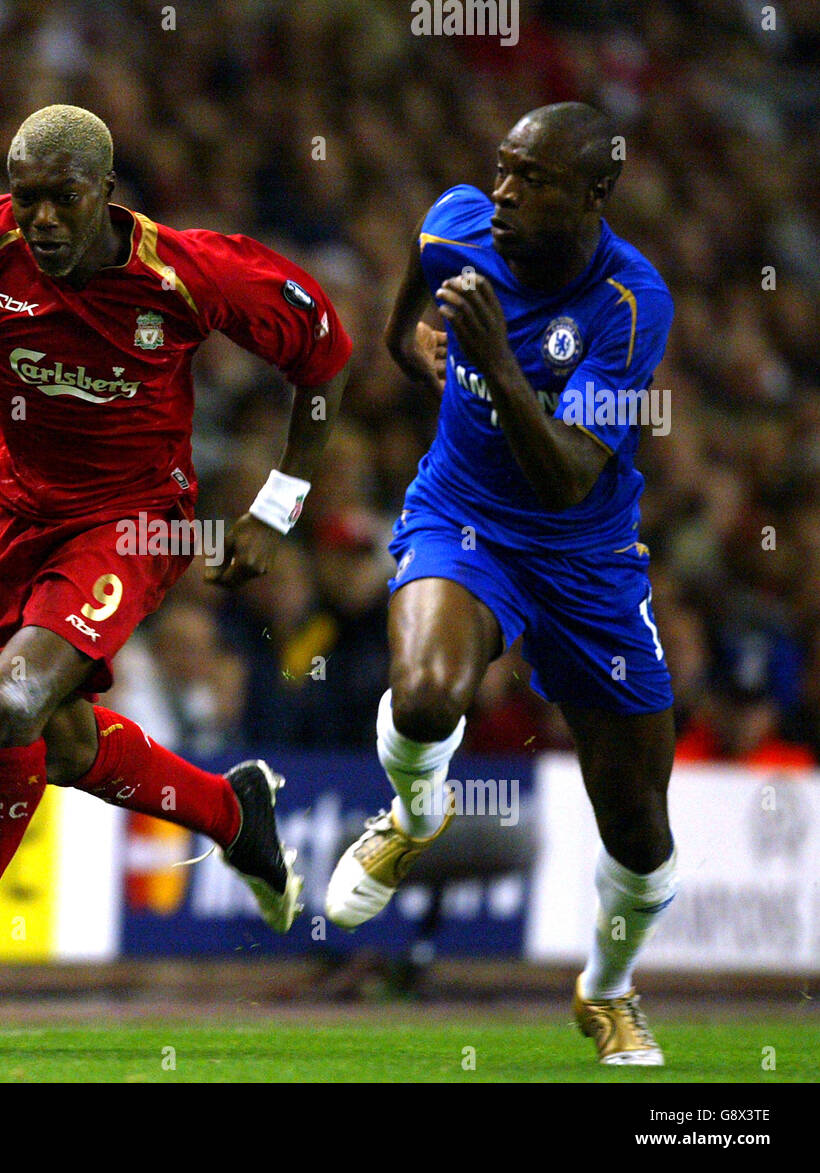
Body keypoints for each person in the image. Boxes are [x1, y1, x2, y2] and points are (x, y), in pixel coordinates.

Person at [0, 105, 351, 1041]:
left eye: (61, 198)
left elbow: (325, 355)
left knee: (2, 710)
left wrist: (278, 504)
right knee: (58, 744)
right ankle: (231, 810)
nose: (40, 218)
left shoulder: (193, 272)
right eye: (25, 195)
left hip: (135, 523)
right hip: (12, 521)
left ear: (106, 194)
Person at [325, 103, 678, 1065]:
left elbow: (569, 469)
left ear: (595, 195)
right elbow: (402, 334)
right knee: (428, 692)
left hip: (587, 557)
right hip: (465, 516)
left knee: (644, 837)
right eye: (504, 168)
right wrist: (427, 353)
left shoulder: (630, 304)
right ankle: (414, 811)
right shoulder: (454, 228)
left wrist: (494, 364)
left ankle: (606, 991)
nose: (505, 192)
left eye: (534, 179)